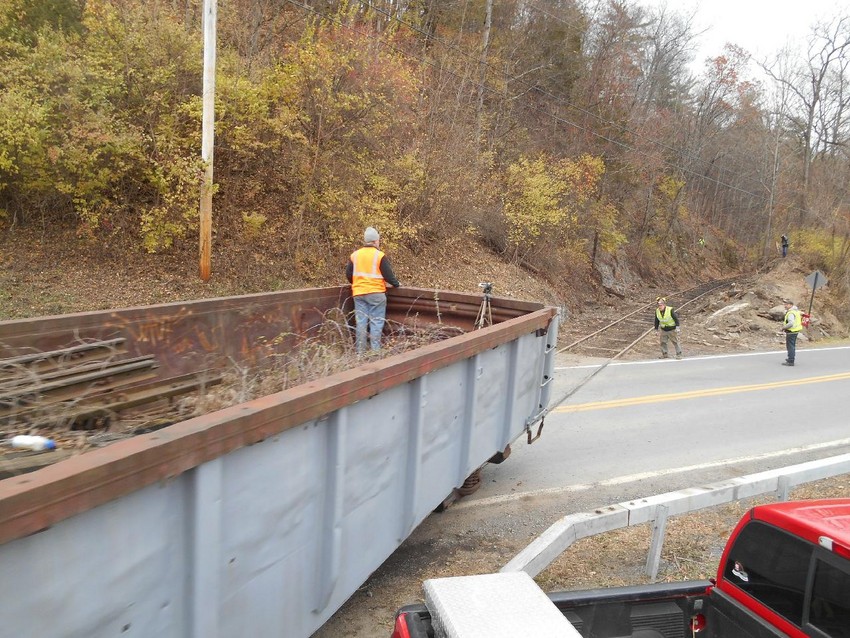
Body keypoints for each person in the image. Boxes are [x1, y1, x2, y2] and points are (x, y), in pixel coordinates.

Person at [345, 227, 400, 353]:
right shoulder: (379, 255)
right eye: (378, 241)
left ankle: (360, 353)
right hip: (376, 294)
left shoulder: (355, 255)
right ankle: (375, 352)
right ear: (375, 241)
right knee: (376, 322)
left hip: (359, 293)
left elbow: (348, 274)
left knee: (361, 323)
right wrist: (396, 284)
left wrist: (358, 284)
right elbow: (388, 275)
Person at [781, 298, 802, 366]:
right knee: (791, 345)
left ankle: (791, 360)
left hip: (791, 331)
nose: (785, 305)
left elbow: (791, 323)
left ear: (790, 305)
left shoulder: (791, 313)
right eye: (785, 304)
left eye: (786, 304)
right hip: (795, 330)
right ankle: (790, 358)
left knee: (790, 346)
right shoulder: (796, 311)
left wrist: (784, 327)